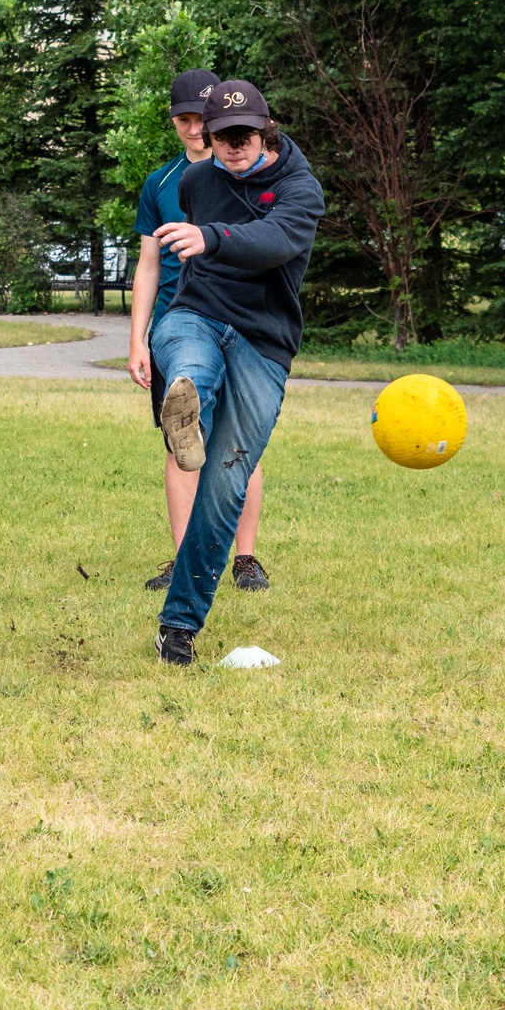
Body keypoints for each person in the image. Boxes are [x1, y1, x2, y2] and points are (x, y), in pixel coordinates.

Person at [148, 79, 323, 666]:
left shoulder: (299, 188)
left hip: (261, 343)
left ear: (266, 129)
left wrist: (210, 237)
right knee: (188, 357)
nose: (232, 145)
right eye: (222, 136)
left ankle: (178, 626)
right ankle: (189, 412)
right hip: (196, 315)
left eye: (244, 134)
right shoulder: (197, 182)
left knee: (225, 489)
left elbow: (273, 241)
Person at [128, 69, 269, 594]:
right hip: (176, 329)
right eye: (183, 119)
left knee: (240, 442)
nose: (193, 130)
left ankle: (245, 558)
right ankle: (185, 559)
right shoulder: (161, 183)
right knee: (180, 440)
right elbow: (148, 265)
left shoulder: (250, 172)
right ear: (173, 121)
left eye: (200, 120)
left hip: (238, 323)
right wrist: (137, 339)